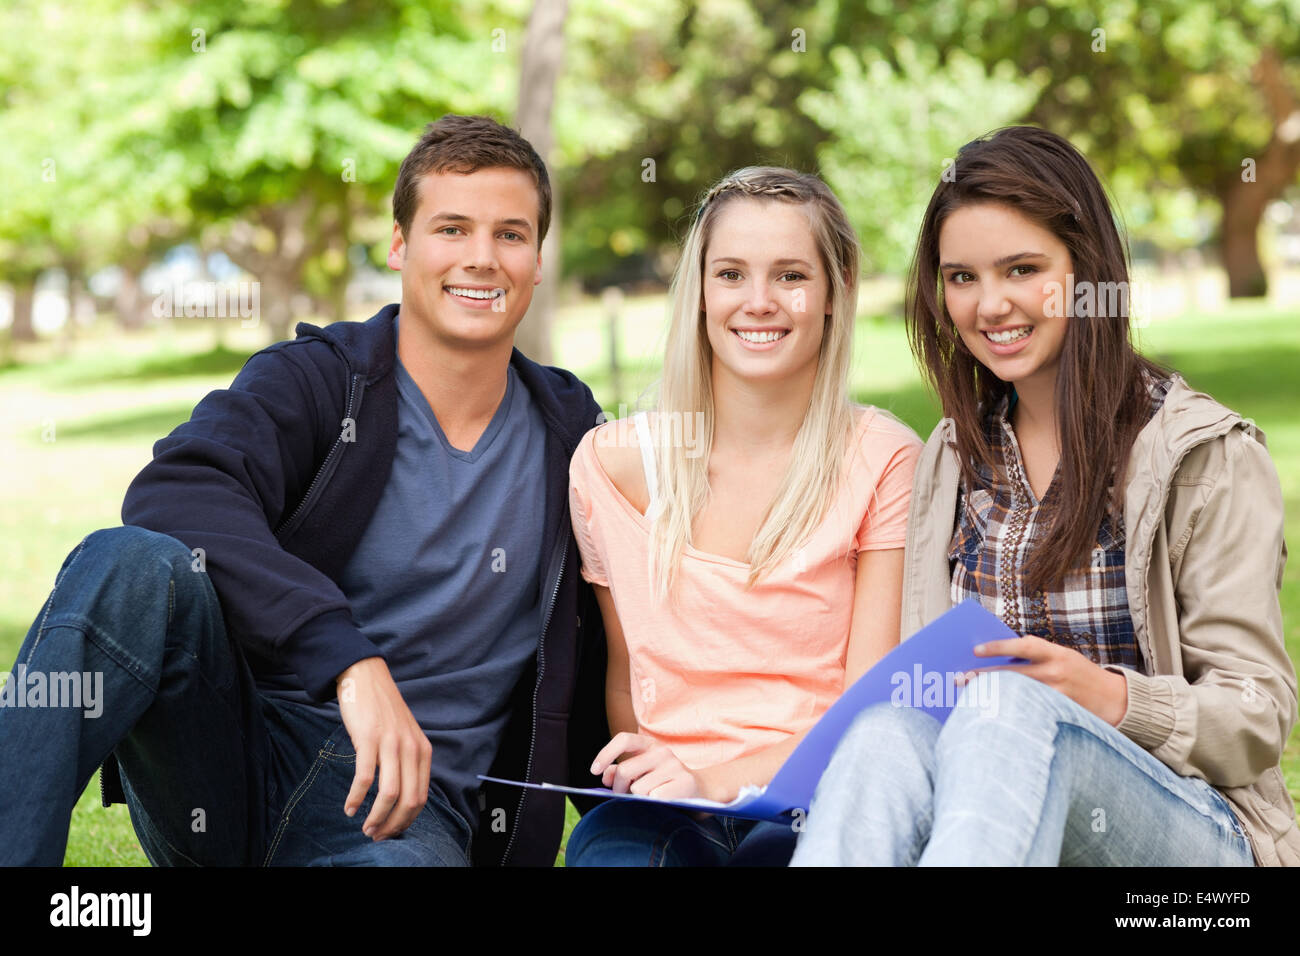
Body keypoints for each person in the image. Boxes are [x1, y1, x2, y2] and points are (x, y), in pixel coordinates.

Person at [0, 114, 610, 867]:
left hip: (404, 818)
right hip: (231, 760)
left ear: (539, 257)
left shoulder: (572, 435)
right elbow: (178, 489)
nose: (481, 259)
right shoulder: (322, 380)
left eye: (510, 234)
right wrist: (348, 660)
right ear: (399, 244)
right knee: (129, 564)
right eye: (452, 229)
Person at [790, 125, 1300, 866]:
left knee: (1005, 703)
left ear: (1086, 269)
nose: (989, 304)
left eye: (1022, 269)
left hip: (1191, 831)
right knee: (883, 734)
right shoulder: (952, 458)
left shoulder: (1202, 455)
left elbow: (1259, 716)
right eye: (961, 277)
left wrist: (1109, 698)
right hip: (991, 812)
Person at [563, 167, 924, 866]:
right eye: (731, 274)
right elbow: (628, 673)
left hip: (815, 796)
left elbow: (868, 710)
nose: (759, 302)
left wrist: (715, 780)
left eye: (790, 275)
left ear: (833, 292)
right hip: (668, 804)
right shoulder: (611, 467)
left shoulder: (882, 460)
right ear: (700, 291)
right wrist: (663, 778)